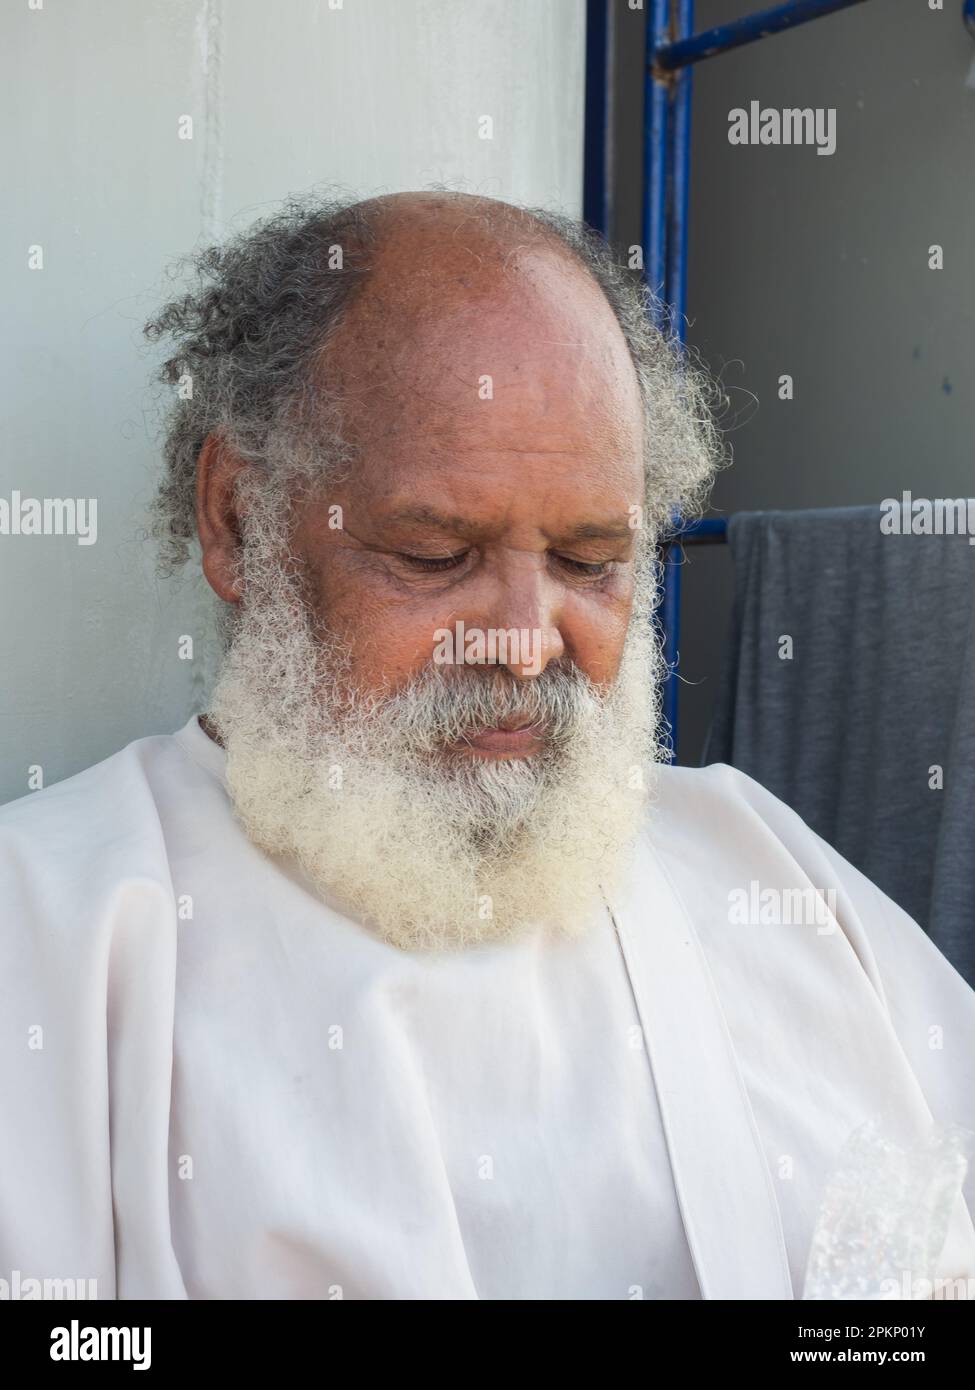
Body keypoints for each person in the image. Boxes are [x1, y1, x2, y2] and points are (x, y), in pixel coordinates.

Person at [2, 191, 973, 1301]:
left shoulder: (762, 864)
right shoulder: (47, 938)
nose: (521, 642)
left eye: (589, 559)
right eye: (435, 554)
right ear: (240, 520)